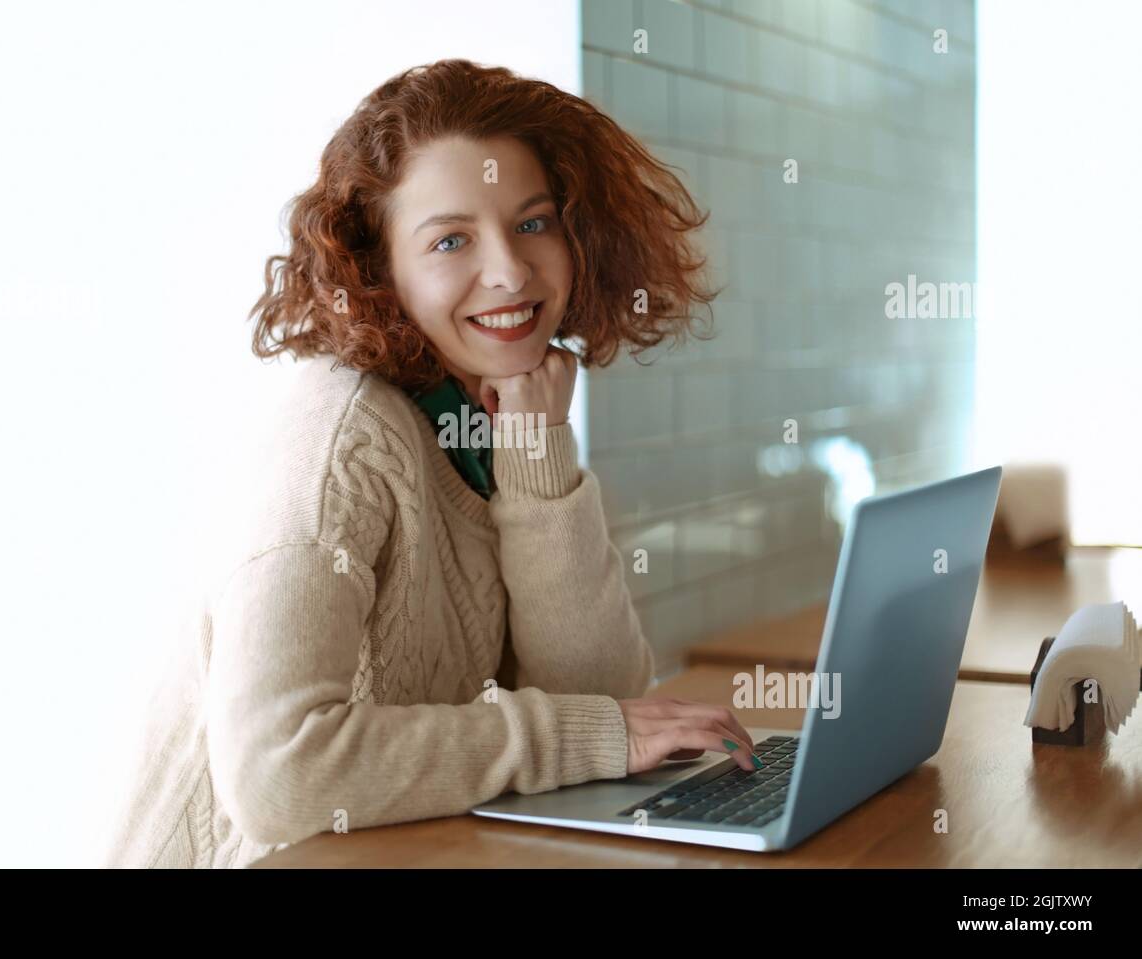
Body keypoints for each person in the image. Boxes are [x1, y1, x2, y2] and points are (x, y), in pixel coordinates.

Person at [101, 58, 759, 869]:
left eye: (532, 222)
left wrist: (536, 452)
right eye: (451, 239)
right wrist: (584, 734)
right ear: (377, 270)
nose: (510, 271)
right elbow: (281, 773)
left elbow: (597, 699)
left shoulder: (490, 409)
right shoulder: (339, 437)